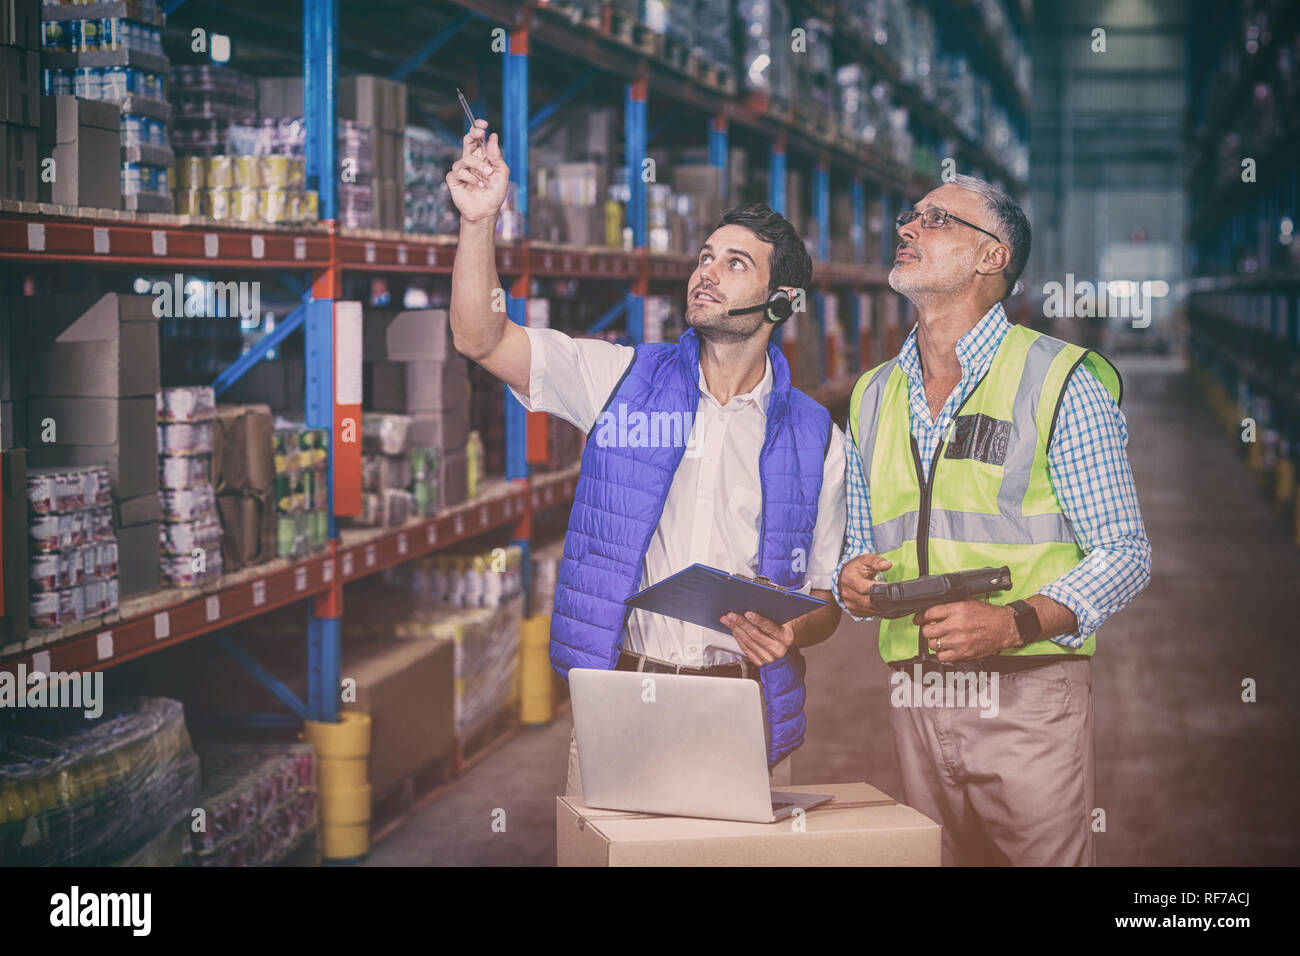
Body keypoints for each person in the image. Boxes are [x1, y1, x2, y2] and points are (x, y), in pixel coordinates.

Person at [446, 119, 846, 797]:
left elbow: (826, 601)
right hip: (623, 693)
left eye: (734, 264)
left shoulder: (817, 439)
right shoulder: (621, 379)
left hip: (742, 706)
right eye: (705, 257)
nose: (706, 275)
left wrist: (790, 629)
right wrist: (480, 223)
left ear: (782, 302)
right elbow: (482, 338)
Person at [836, 174, 1152, 866]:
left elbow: (1125, 552)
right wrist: (850, 583)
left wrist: (1014, 622)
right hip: (916, 689)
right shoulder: (872, 394)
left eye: (937, 220)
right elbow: (860, 544)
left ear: (991, 258)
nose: (908, 229)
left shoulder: (1059, 380)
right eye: (910, 216)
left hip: (1028, 694)